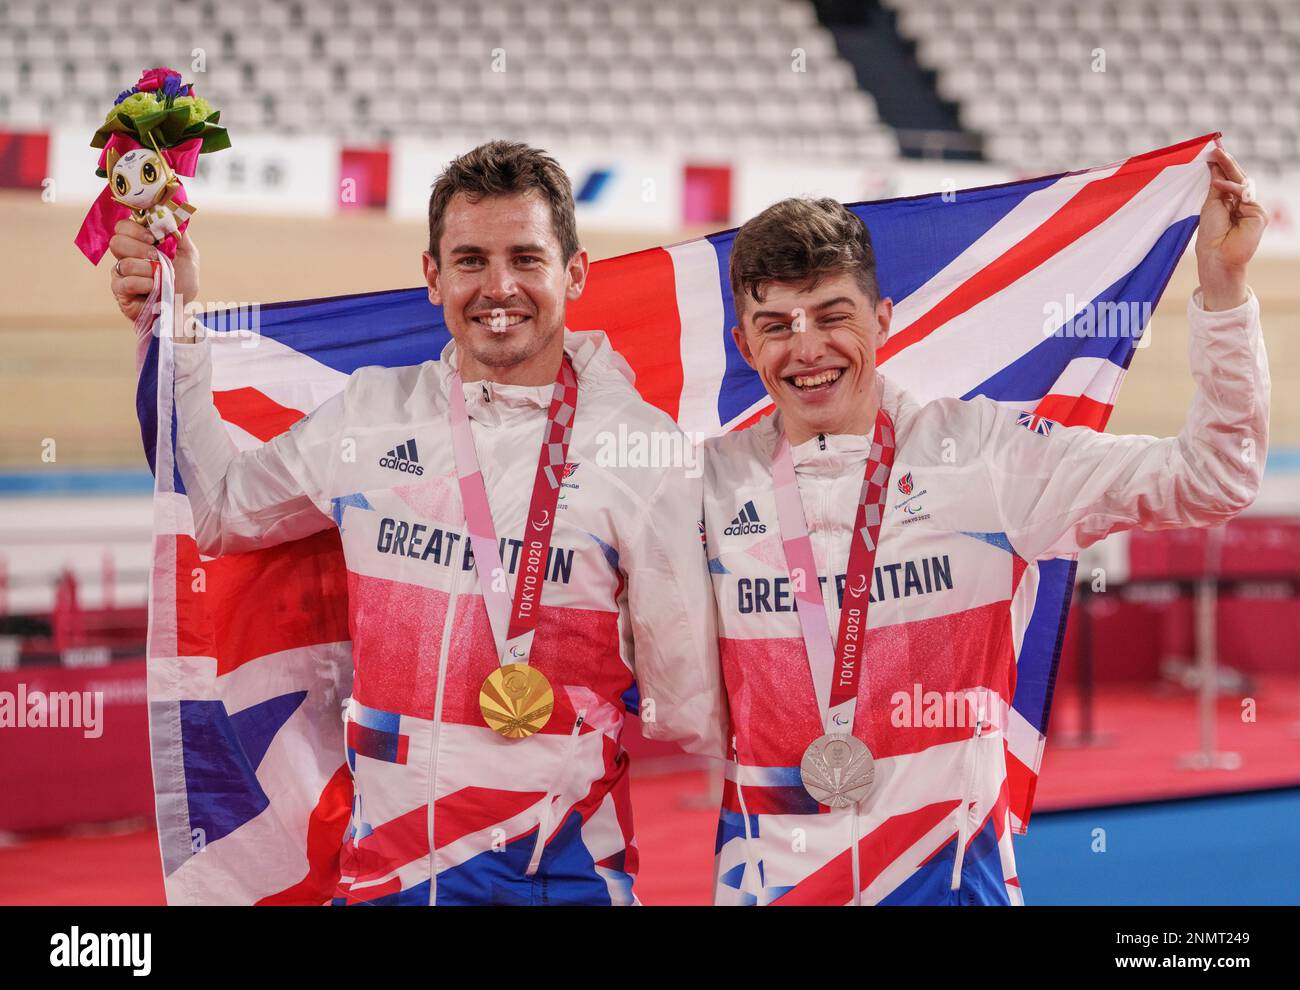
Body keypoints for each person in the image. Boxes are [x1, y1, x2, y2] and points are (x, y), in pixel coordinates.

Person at [110, 140, 726, 906]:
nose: (498, 287)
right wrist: (181, 320)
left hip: (562, 877)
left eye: (526, 258)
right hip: (387, 876)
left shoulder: (645, 453)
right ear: (432, 276)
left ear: (574, 271)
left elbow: (693, 700)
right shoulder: (368, 415)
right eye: (469, 260)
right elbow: (221, 511)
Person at [703, 147, 1269, 905]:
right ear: (745, 346)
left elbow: (1215, 476)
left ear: (882, 319)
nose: (807, 349)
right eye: (775, 326)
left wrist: (1224, 290)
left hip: (950, 884)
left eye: (834, 317)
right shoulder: (700, 489)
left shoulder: (988, 455)